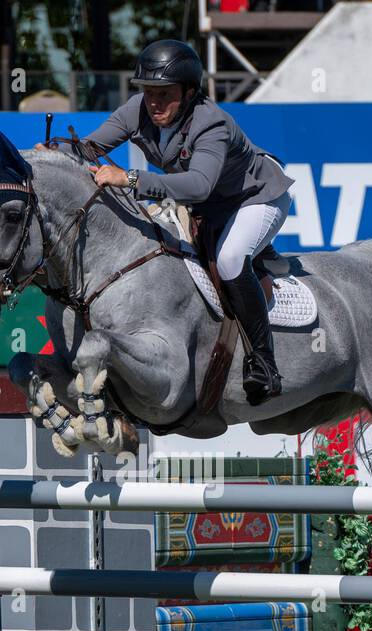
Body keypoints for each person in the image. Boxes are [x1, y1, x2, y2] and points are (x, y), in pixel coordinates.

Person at [79, 39, 295, 405]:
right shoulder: (138, 110)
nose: (155, 102)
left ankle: (263, 362)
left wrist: (129, 178)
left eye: (165, 93)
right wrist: (52, 153)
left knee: (229, 261)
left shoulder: (211, 125)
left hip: (256, 198)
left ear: (190, 92)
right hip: (210, 207)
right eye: (149, 92)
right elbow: (91, 147)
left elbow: (198, 185)